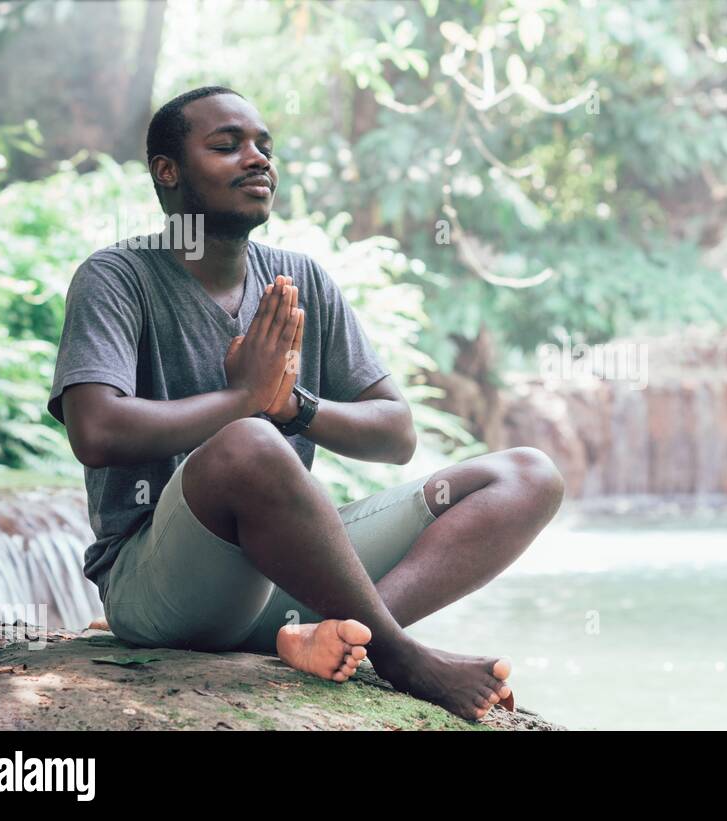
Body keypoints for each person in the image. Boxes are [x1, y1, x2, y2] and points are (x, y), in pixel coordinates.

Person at [46, 86, 565, 722]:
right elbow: (95, 430)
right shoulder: (117, 278)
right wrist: (242, 401)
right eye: (227, 145)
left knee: (527, 476)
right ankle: (400, 655)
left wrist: (293, 406)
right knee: (249, 443)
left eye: (265, 145)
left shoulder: (300, 279)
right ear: (168, 171)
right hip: (158, 583)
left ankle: (327, 635)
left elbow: (395, 432)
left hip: (282, 580)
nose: (257, 158)